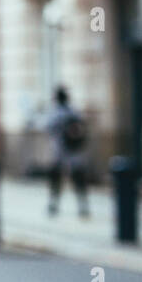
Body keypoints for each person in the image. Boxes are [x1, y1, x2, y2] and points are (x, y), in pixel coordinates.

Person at [45, 85, 90, 217]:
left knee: (56, 178)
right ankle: (83, 205)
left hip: (60, 151)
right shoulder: (74, 111)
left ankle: (54, 204)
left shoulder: (55, 113)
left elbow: (48, 128)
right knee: (78, 177)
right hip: (74, 151)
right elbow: (82, 128)